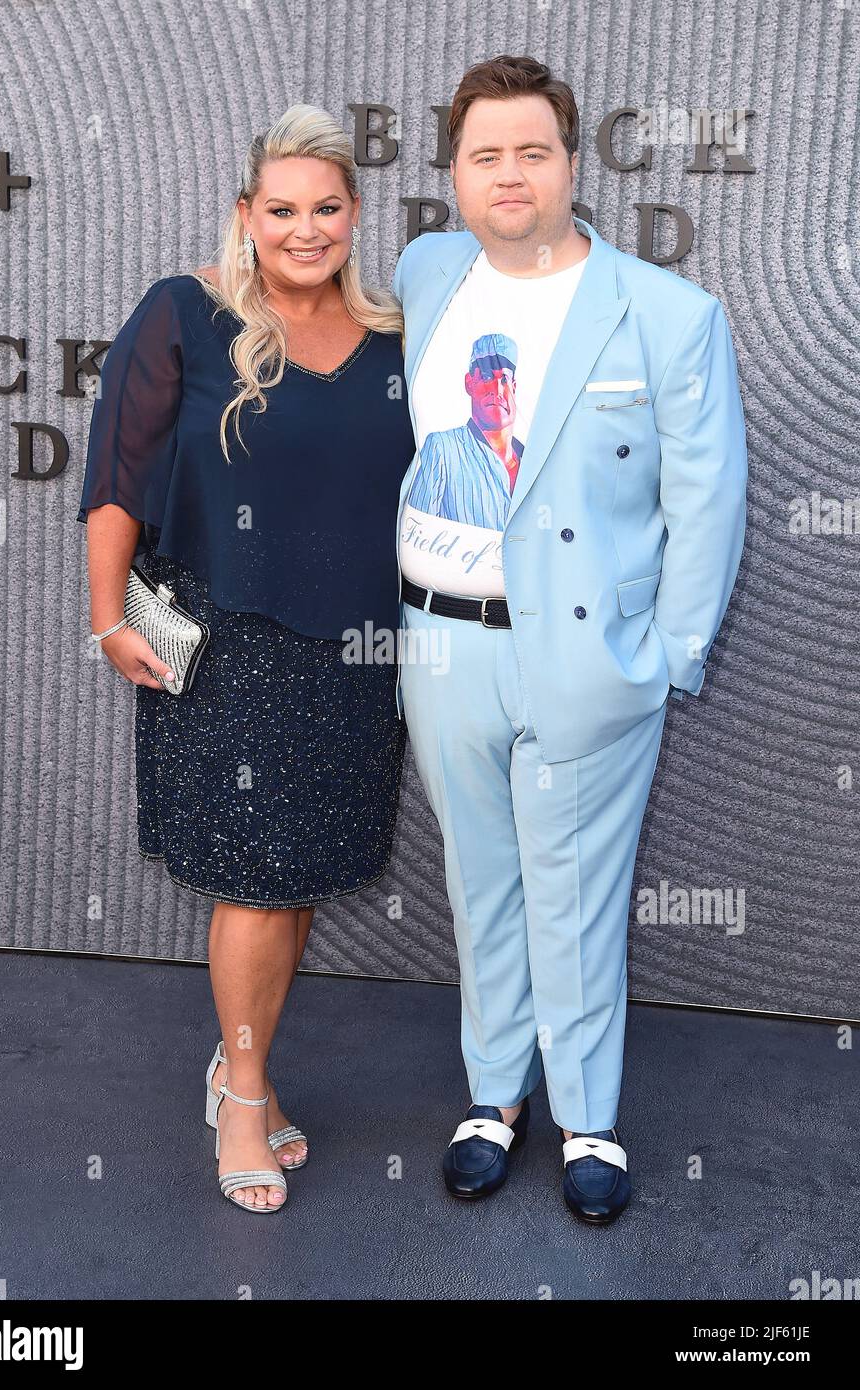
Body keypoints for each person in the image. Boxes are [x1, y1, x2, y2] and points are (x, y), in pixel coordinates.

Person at [391, 55, 747, 1223]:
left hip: (583, 659)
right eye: (485, 153)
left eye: (531, 150)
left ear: (571, 161)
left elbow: (709, 499)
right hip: (441, 652)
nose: (509, 173)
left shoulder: (665, 313)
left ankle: (587, 1117)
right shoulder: (427, 270)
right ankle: (493, 1098)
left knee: (578, 894)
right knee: (479, 882)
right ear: (454, 170)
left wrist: (664, 658)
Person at [77, 105, 415, 1215]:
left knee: (302, 879)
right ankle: (247, 1093)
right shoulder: (185, 311)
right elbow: (117, 475)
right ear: (246, 213)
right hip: (229, 644)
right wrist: (105, 615)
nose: (305, 228)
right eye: (282, 208)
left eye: (326, 207)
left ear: (354, 215)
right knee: (254, 887)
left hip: (358, 652)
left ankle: (239, 1060)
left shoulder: (398, 337)